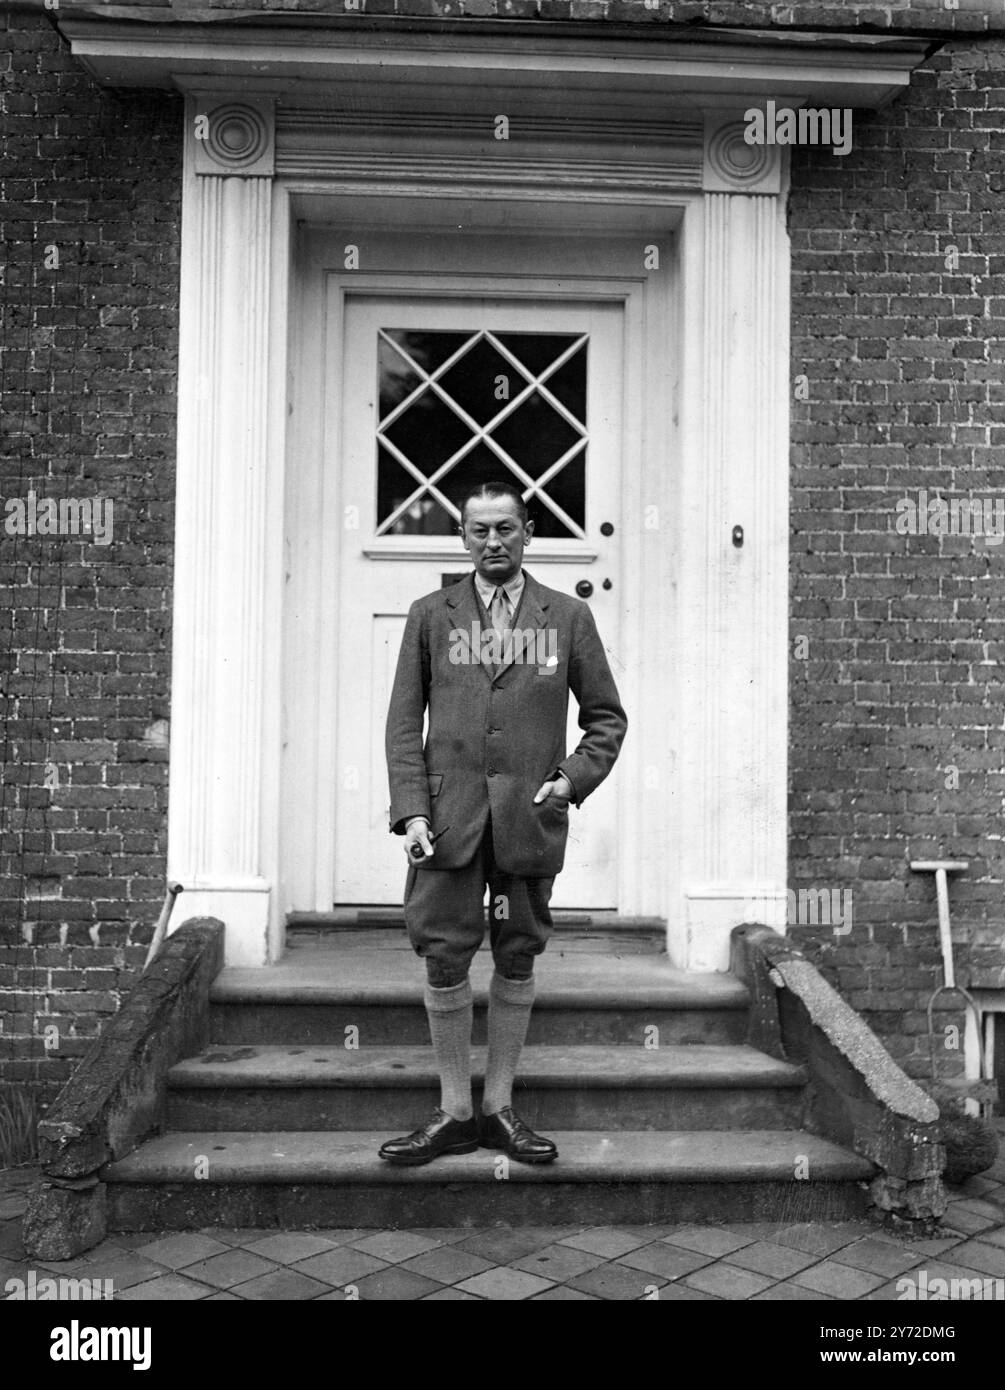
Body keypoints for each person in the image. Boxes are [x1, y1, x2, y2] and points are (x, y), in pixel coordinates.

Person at [381, 481, 627, 1165]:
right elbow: (404, 724)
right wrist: (410, 811)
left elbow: (606, 718)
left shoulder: (567, 618)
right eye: (480, 530)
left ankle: (501, 1108)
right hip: (448, 818)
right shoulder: (431, 615)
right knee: (443, 953)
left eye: (506, 529)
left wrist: (569, 780)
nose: (493, 542)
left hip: (529, 816)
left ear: (528, 533)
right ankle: (454, 1110)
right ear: (462, 537)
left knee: (517, 951)